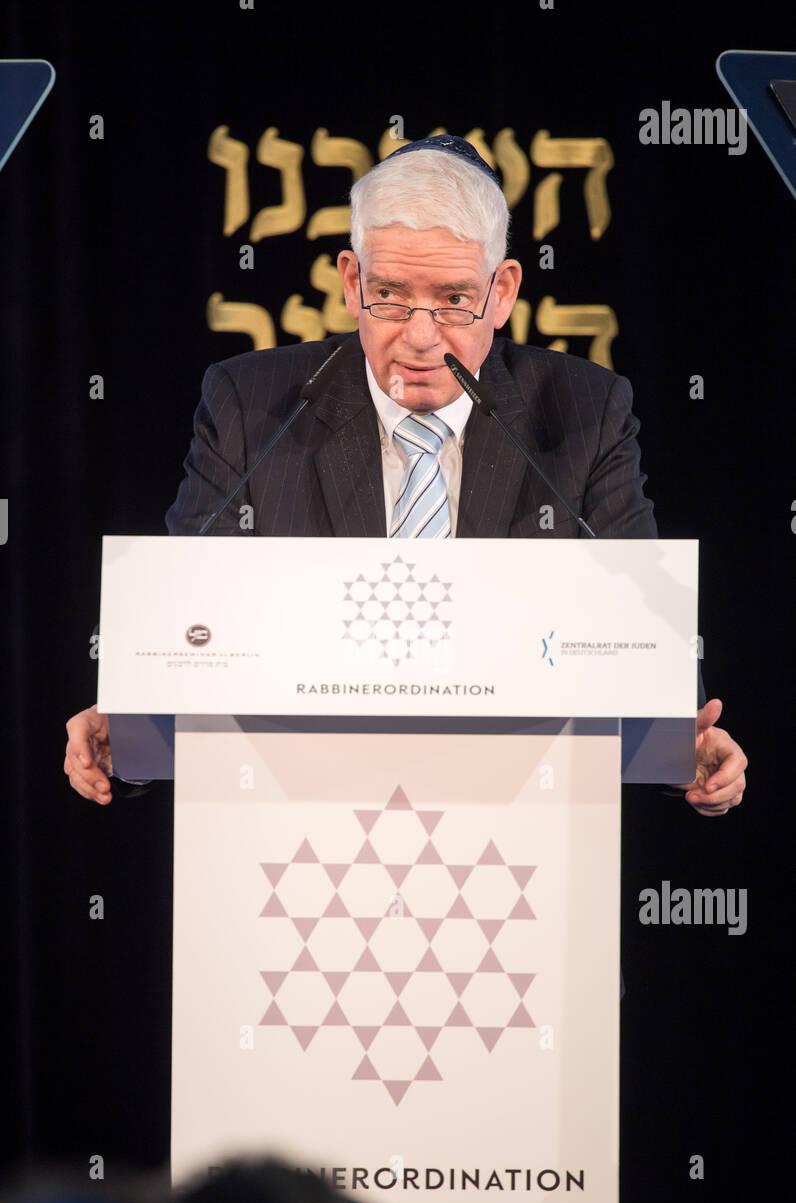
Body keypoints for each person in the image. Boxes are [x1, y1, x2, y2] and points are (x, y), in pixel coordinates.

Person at [63, 135, 747, 815]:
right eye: (390, 294)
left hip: (519, 826)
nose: (421, 336)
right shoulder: (252, 405)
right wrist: (128, 725)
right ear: (352, 283)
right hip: (293, 823)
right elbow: (184, 622)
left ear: (502, 290)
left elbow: (637, 633)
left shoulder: (584, 413)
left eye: (454, 299)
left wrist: (686, 748)